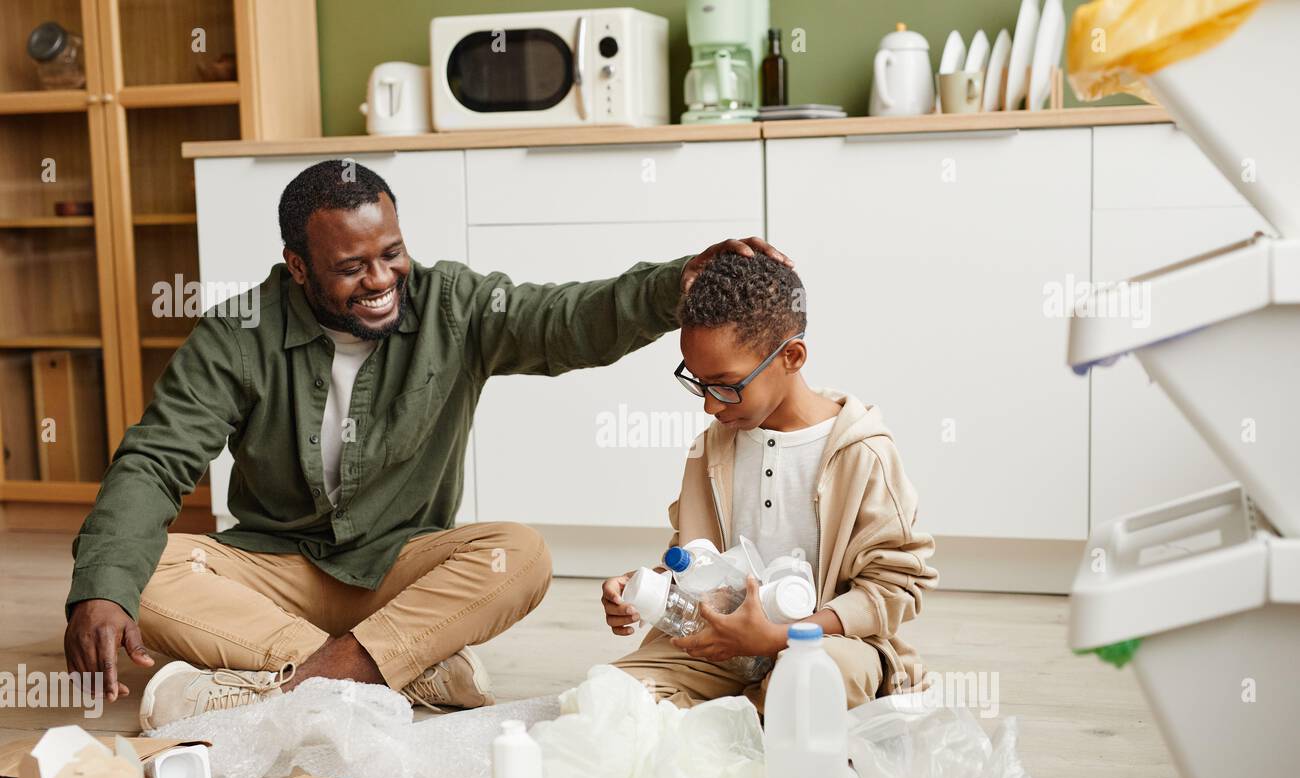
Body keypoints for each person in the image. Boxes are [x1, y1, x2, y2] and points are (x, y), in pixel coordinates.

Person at [61, 158, 792, 730]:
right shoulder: (236, 333)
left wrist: (673, 285)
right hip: (276, 566)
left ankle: (304, 681)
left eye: (392, 252)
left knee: (522, 554)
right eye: (352, 268)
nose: (382, 280)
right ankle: (404, 670)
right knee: (139, 569)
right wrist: (100, 589)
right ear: (298, 267)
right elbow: (156, 461)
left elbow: (567, 319)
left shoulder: (456, 305)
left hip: (399, 567)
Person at [601, 251, 938, 711]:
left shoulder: (863, 453)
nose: (710, 406)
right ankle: (742, 716)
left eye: (725, 384)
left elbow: (895, 588)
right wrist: (646, 589)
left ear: (792, 357)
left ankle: (758, 715)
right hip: (716, 643)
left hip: (824, 645)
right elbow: (702, 570)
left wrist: (776, 637)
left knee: (808, 688)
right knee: (606, 701)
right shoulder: (711, 449)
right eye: (697, 383)